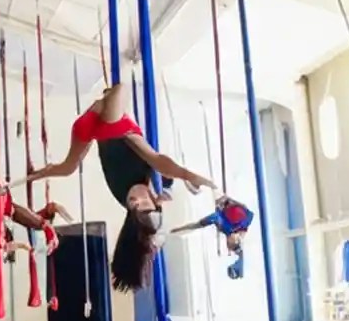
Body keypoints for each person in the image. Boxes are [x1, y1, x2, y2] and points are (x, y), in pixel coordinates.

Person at [26, 83, 214, 292]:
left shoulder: (128, 183)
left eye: (133, 205)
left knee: (120, 95)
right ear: (155, 201)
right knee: (70, 166)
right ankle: (36, 173)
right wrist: (185, 178)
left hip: (109, 126)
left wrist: (185, 175)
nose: (135, 200)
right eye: (144, 203)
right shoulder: (152, 182)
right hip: (102, 127)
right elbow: (159, 166)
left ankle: (36, 174)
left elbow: (157, 160)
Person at [0, 179, 71, 256]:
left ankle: (51, 218)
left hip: (2, 200)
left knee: (29, 219)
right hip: (3, 203)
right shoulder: (1, 221)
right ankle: (51, 218)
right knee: (28, 219)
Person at [171, 194, 254, 280]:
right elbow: (197, 225)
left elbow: (240, 254)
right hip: (229, 212)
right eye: (229, 244)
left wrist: (236, 271)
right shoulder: (234, 222)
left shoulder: (229, 226)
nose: (228, 242)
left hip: (228, 216)